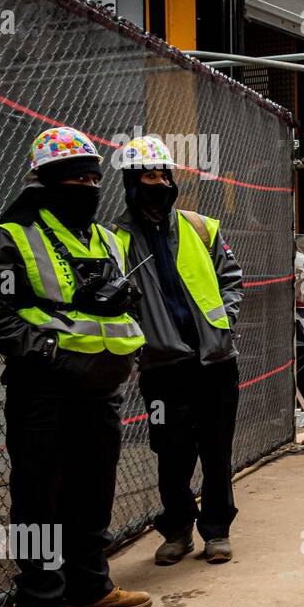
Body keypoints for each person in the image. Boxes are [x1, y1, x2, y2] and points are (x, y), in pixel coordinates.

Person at [0, 127, 151, 607]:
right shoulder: (15, 237)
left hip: (101, 390)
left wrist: (122, 302)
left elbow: (116, 308)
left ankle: (89, 589)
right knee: (39, 498)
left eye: (93, 176)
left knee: (93, 490)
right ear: (45, 182)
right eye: (74, 177)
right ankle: (41, 605)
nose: (87, 185)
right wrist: (43, 348)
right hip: (42, 392)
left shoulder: (109, 239)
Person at [111, 136, 244, 566]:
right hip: (162, 368)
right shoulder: (115, 239)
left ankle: (217, 530)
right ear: (132, 182)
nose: (159, 182)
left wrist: (224, 322)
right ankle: (178, 529)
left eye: (164, 174)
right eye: (149, 176)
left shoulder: (201, 227)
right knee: (170, 452)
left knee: (216, 449)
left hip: (215, 363)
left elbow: (231, 279)